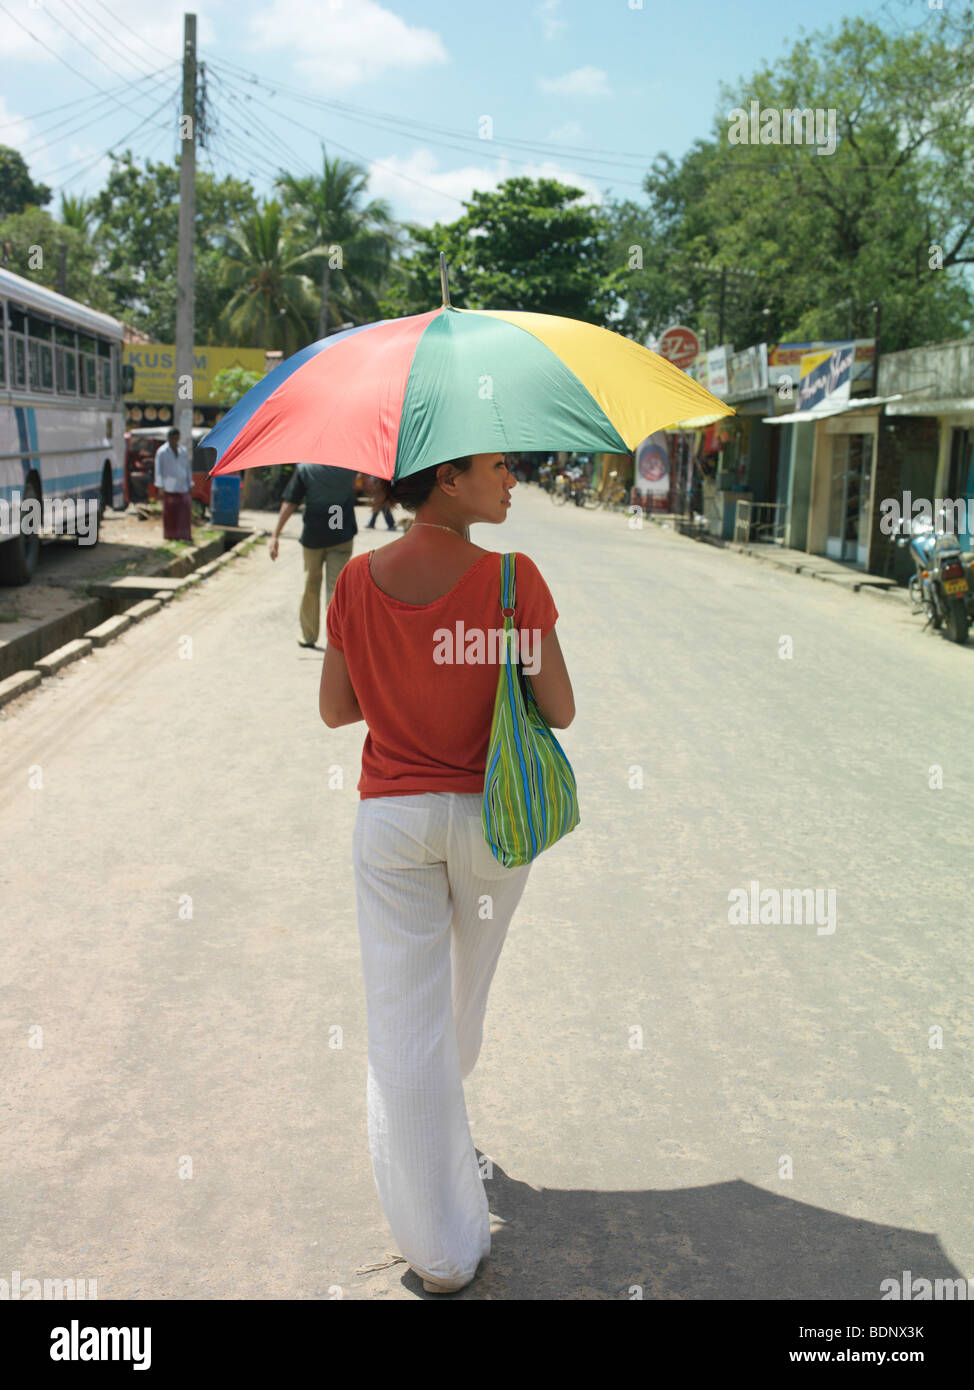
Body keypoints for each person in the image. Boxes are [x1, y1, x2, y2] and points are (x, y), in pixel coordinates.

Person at [318, 452, 575, 1295]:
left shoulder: (355, 581)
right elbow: (561, 709)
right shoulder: (513, 580)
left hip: (392, 821)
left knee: (404, 1020)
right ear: (447, 480)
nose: (512, 482)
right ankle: (445, 1126)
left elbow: (336, 708)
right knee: (463, 994)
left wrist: (403, 674)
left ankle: (439, 1251)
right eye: (498, 468)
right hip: (495, 823)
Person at [269, 463, 358, 649]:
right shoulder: (350, 466)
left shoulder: (305, 469)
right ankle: (337, 637)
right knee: (337, 589)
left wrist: (275, 534)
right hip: (341, 533)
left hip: (314, 535)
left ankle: (308, 635)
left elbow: (290, 502)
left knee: (311, 584)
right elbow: (365, 484)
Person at [153, 428, 193, 541]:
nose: (175, 440)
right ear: (169, 438)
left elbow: (187, 468)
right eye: (173, 437)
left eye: (177, 437)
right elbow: (158, 470)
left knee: (184, 513)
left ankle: (184, 535)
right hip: (168, 486)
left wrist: (190, 484)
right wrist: (160, 487)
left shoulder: (183, 451)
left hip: (182, 486)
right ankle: (171, 536)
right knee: (170, 514)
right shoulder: (162, 452)